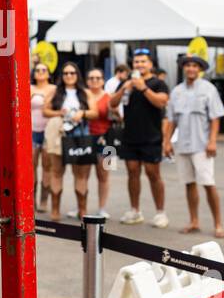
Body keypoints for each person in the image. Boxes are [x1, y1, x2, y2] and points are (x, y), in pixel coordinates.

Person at [162, 54, 224, 238]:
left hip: (202, 145)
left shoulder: (209, 89)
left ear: (199, 69)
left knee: (208, 183)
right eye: (188, 65)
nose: (191, 69)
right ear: (183, 68)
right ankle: (194, 220)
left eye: (194, 66)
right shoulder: (177, 91)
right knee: (189, 183)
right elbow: (171, 120)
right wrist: (166, 142)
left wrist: (213, 141)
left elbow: (215, 118)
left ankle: (218, 224)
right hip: (183, 144)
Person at [109, 47, 169, 228]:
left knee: (153, 174)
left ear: (150, 64)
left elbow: (162, 101)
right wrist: (124, 89)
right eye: (136, 62)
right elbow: (112, 103)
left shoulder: (158, 83)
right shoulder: (127, 82)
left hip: (152, 136)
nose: (140, 64)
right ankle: (135, 210)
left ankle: (160, 212)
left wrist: (143, 88)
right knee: (132, 172)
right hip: (130, 136)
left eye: (143, 61)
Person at [43, 62, 97, 221]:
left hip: (80, 134)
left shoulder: (85, 92)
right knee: (56, 171)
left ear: (77, 75)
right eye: (66, 73)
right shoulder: (55, 92)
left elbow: (95, 112)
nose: (69, 76)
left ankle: (82, 209)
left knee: (80, 174)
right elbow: (45, 111)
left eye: (72, 73)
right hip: (59, 134)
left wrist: (83, 113)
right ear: (62, 75)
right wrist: (59, 112)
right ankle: (55, 209)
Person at [84, 68, 113, 217]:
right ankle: (81, 207)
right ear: (87, 80)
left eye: (97, 78)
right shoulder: (82, 95)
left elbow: (117, 117)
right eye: (91, 78)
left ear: (103, 80)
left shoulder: (109, 97)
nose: (94, 80)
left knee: (104, 175)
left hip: (107, 140)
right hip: (84, 139)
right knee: (83, 174)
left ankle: (102, 208)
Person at [30, 61, 56, 211]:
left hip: (48, 131)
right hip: (32, 130)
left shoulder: (54, 88)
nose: (40, 72)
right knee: (31, 166)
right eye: (37, 70)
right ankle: (31, 199)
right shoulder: (29, 88)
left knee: (47, 166)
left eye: (43, 70)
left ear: (48, 73)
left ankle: (44, 200)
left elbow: (56, 105)